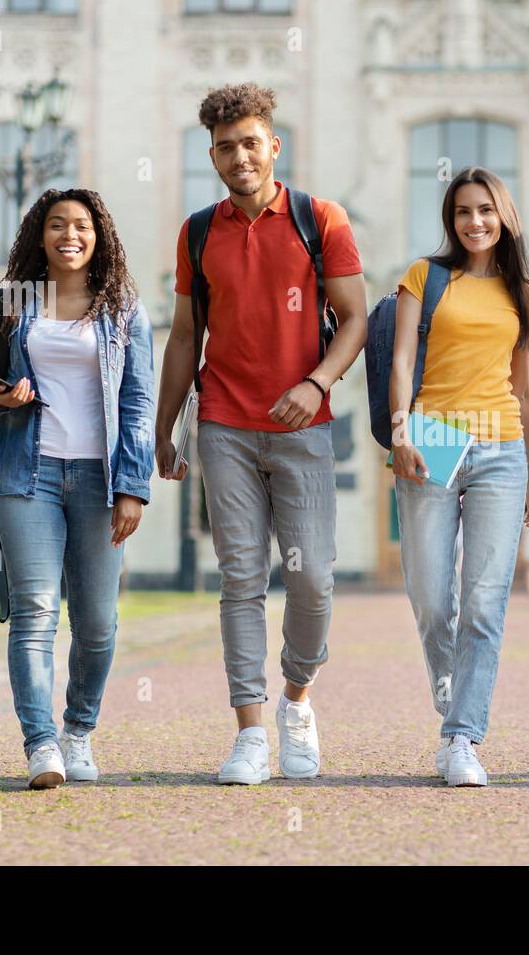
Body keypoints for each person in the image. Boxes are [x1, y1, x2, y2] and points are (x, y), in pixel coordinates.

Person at [155, 82, 367, 785]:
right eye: (224, 147)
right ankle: (249, 730)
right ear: (211, 155)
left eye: (250, 143)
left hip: (305, 427)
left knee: (313, 581)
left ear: (273, 145)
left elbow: (356, 319)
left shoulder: (320, 218)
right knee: (240, 576)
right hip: (223, 424)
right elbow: (186, 336)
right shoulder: (195, 232)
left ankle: (297, 701)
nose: (239, 156)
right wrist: (166, 429)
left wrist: (317, 383)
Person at [0, 187, 155, 790]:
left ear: (99, 236)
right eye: (56, 224)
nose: (70, 235)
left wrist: (133, 485)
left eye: (82, 225)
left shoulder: (123, 306)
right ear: (38, 235)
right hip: (27, 474)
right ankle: (41, 743)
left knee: (97, 622)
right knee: (36, 611)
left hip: (100, 479)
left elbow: (139, 401)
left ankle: (78, 730)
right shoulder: (13, 303)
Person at [390, 166, 529, 787]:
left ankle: (462, 737)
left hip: (502, 446)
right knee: (432, 599)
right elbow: (402, 358)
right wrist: (402, 429)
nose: (474, 221)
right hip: (432, 437)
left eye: (485, 210)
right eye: (462, 211)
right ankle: (450, 685)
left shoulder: (523, 294)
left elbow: (524, 390)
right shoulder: (424, 278)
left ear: (503, 216)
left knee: (485, 602)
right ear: (450, 220)